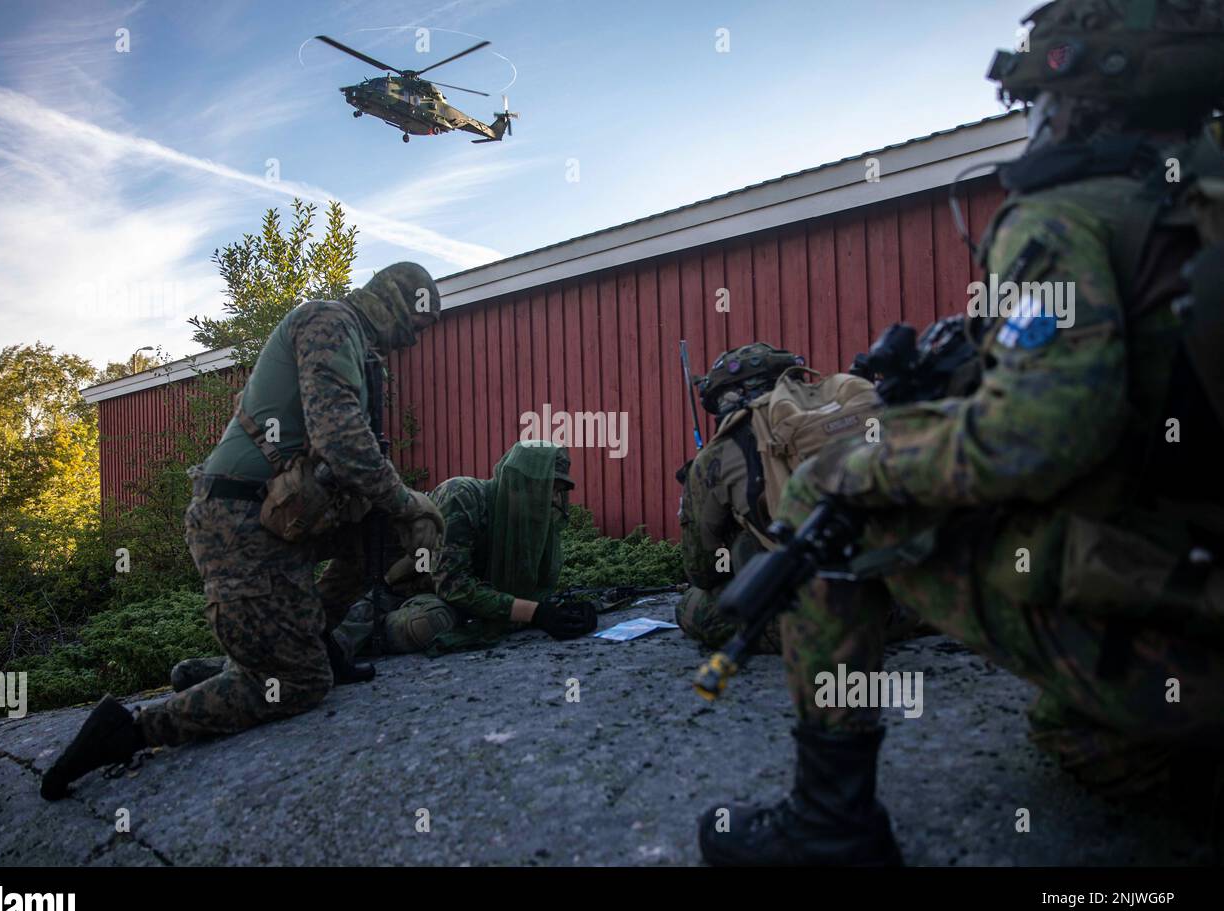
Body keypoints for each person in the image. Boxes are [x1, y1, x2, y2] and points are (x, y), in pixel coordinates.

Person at [699, 0, 1224, 866]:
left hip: (1177, 628)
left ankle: (830, 827)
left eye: (1037, 101)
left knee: (832, 509)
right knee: (1074, 736)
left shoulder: (1067, 218)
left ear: (1078, 96)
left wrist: (862, 462)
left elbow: (1039, 433)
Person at [41, 262, 445, 800]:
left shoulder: (359, 347)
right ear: (395, 301)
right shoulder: (329, 322)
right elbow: (343, 442)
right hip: (239, 523)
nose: (414, 338)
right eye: (416, 323)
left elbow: (343, 462)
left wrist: (396, 512)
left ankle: (306, 642)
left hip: (281, 522)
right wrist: (407, 502)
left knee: (380, 534)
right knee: (301, 686)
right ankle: (130, 730)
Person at [379, 440, 598, 654]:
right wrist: (535, 613)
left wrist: (563, 612)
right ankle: (373, 632)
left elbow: (525, 591)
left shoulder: (525, 525)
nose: (555, 499)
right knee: (429, 622)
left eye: (559, 491)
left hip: (456, 602)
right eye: (548, 488)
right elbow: (453, 585)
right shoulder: (462, 496)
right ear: (518, 484)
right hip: (400, 590)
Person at [677, 343, 808, 653]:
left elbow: (703, 572)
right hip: (896, 603)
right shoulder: (839, 416)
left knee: (693, 608)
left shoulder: (717, 455)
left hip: (817, 618)